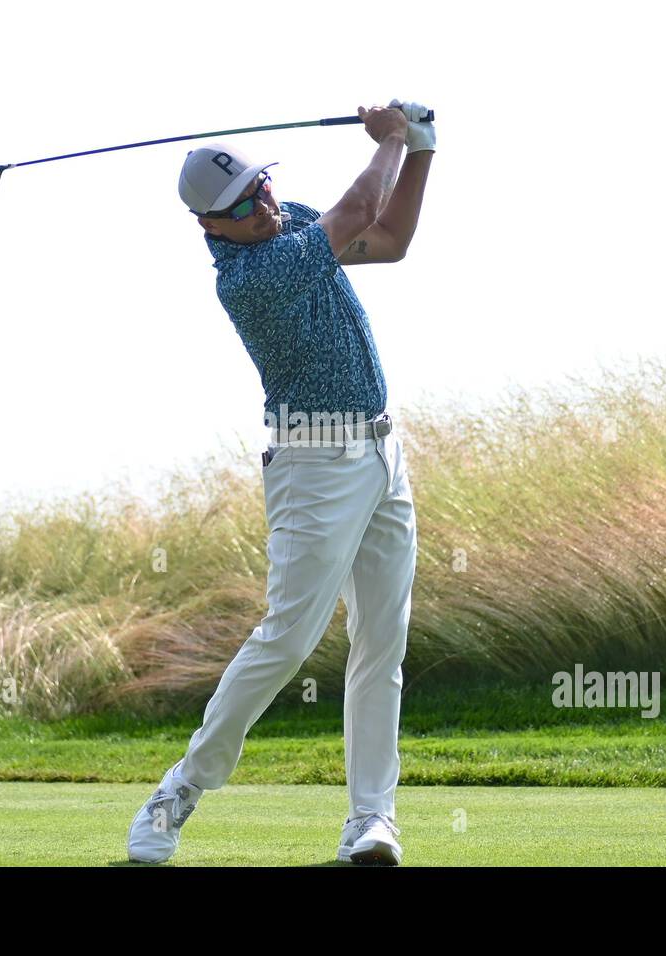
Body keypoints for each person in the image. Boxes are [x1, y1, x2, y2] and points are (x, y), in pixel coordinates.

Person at [127, 100, 435, 866]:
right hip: (312, 467)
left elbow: (388, 238)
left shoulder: (288, 219)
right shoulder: (250, 277)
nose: (265, 205)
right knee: (288, 640)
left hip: (381, 455)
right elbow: (362, 203)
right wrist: (392, 137)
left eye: (263, 187)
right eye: (244, 205)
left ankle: (371, 822)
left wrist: (421, 149)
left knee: (381, 646)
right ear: (211, 228)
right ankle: (176, 796)